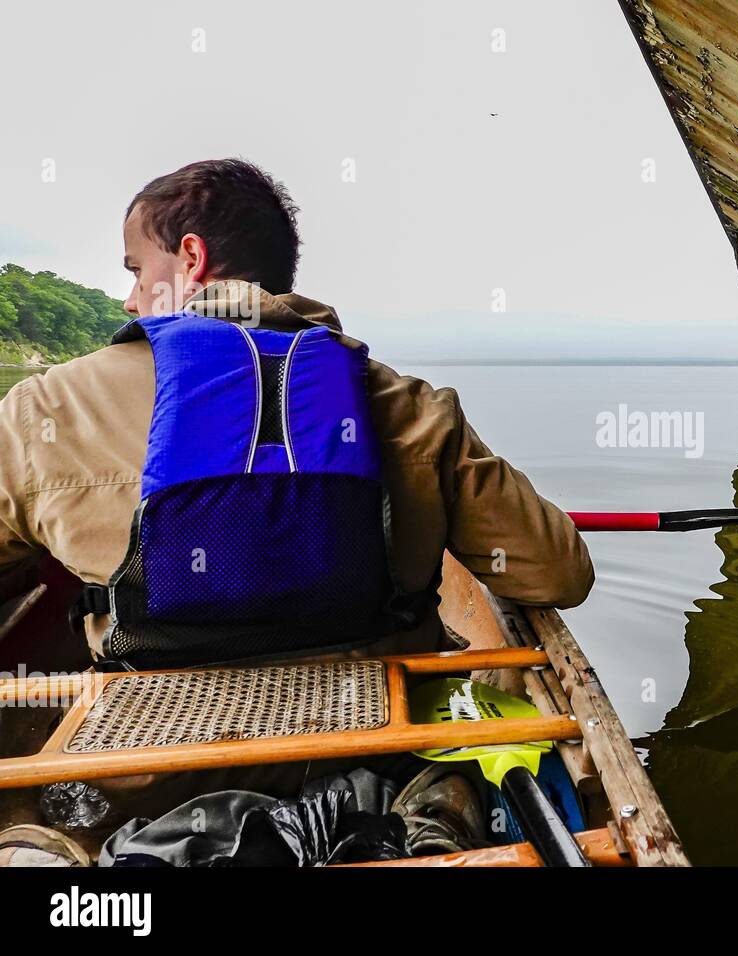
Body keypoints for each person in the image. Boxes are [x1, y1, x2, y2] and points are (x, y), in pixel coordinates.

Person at [0, 159, 595, 862]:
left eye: (136, 270)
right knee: (447, 759)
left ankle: (58, 849)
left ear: (190, 259)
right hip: (374, 745)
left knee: (32, 826)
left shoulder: (47, 408)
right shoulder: (410, 405)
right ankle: (433, 816)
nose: (130, 299)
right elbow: (558, 575)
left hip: (150, 772)